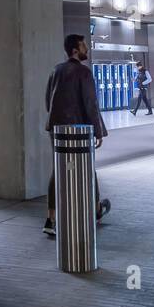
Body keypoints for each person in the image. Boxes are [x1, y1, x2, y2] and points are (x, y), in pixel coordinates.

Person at [44, 34, 110, 236]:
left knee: (58, 170)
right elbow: (91, 103)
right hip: (78, 130)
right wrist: (98, 131)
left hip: (57, 129)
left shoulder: (56, 70)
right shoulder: (83, 72)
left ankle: (50, 219)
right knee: (88, 168)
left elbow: (49, 100)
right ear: (75, 50)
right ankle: (96, 208)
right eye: (83, 47)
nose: (86, 50)